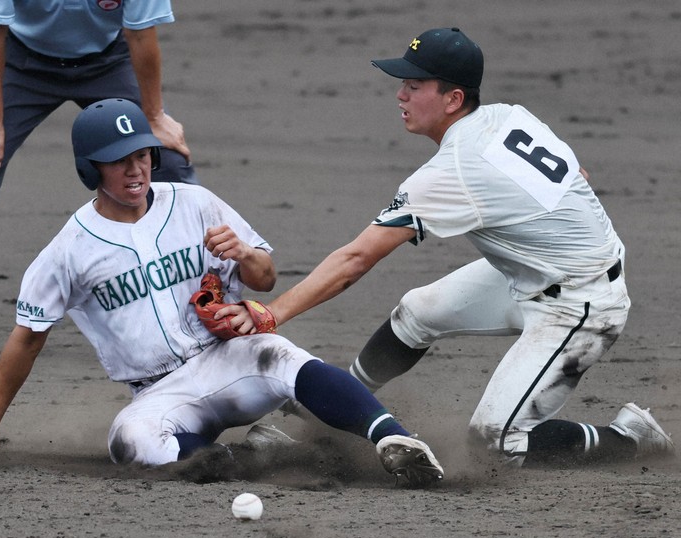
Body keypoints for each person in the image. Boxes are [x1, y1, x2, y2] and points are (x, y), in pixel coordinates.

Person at [222, 28, 674, 468]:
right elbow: (581, 176)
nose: (400, 95)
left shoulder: (453, 170)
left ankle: (629, 438)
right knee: (418, 311)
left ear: (453, 99)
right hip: (542, 270)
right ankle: (331, 412)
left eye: (415, 86)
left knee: (495, 444)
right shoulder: (507, 115)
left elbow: (355, 260)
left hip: (582, 303)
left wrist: (271, 313)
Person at [0, 98, 444, 486]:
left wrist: (245, 255)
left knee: (276, 352)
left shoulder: (194, 203)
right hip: (159, 394)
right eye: (119, 161)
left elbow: (265, 280)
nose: (135, 169)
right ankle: (228, 459)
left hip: (228, 359)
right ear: (91, 168)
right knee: (128, 439)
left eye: (142, 155)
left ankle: (391, 438)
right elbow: (27, 338)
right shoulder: (68, 251)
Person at [0, 0, 198, 361]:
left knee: (170, 163)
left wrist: (155, 115)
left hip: (107, 62)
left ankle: (201, 302)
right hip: (22, 63)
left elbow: (142, 35)